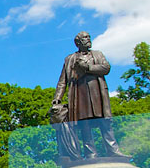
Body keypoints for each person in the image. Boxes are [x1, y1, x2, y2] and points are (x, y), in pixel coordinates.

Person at [50, 31, 121, 161]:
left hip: (97, 92)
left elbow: (106, 68)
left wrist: (87, 68)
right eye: (85, 38)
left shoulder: (98, 54)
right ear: (78, 42)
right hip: (79, 94)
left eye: (89, 37)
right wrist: (57, 98)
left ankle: (113, 150)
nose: (88, 39)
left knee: (104, 122)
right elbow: (62, 81)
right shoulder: (69, 59)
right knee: (85, 125)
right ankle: (90, 154)